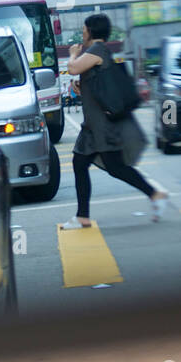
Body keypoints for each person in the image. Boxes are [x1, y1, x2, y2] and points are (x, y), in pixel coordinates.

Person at [59, 13, 168, 230]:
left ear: (90, 31)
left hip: (101, 127)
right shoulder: (98, 52)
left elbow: (72, 68)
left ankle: (155, 193)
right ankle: (82, 216)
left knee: (115, 167)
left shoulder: (96, 50)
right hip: (93, 126)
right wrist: (83, 90)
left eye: (84, 29)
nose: (82, 32)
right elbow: (98, 88)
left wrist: (72, 54)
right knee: (81, 164)